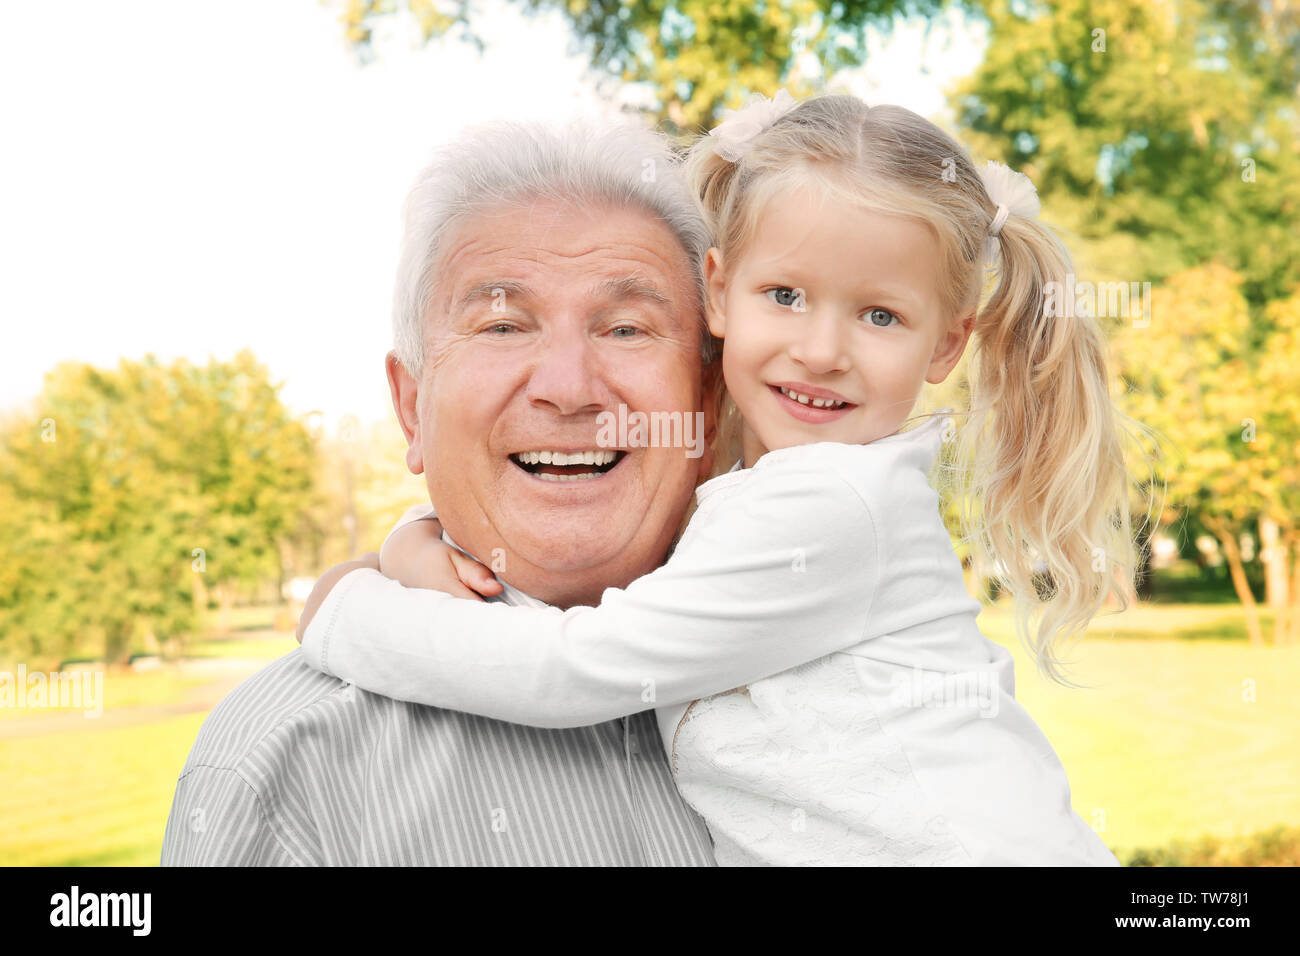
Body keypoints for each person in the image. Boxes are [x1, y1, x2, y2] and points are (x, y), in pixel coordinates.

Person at [296, 92, 1140, 865]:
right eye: (786, 294)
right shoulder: (766, 493)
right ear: (720, 293)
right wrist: (415, 539)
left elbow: (570, 668)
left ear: (948, 345)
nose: (821, 350)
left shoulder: (832, 505)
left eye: (880, 314)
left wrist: (344, 609)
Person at [160, 117, 724, 865]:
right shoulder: (283, 768)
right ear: (410, 407)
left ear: (708, 408)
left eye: (626, 328)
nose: (567, 388)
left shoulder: (844, 684)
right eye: (501, 326)